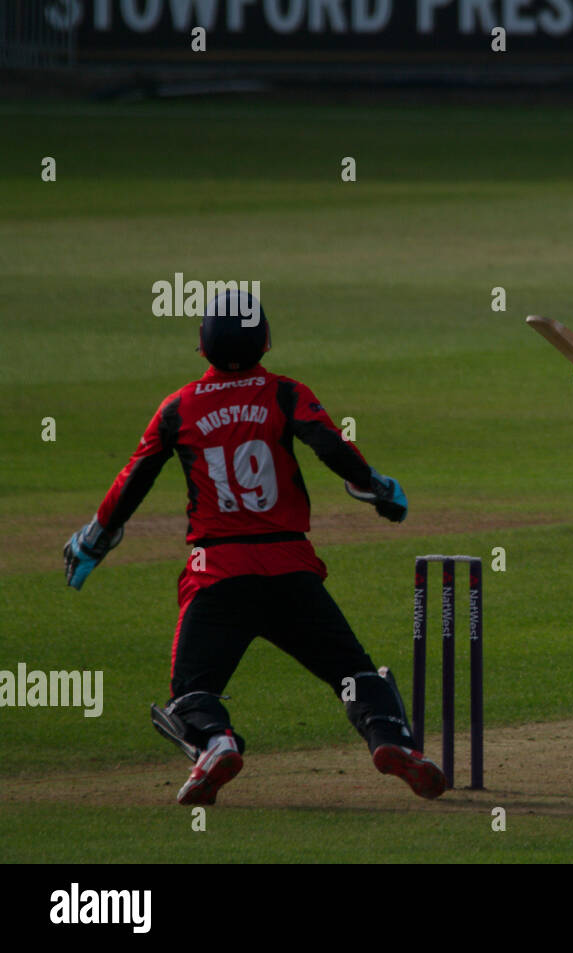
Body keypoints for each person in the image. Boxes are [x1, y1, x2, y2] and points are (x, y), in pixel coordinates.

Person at [62, 291, 444, 804]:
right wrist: (373, 487)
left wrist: (96, 538)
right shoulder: (284, 393)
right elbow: (329, 445)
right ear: (265, 340)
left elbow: (135, 479)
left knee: (191, 692)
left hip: (219, 573)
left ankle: (216, 742)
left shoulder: (177, 408)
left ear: (202, 345)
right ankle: (391, 740)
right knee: (351, 673)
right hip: (290, 569)